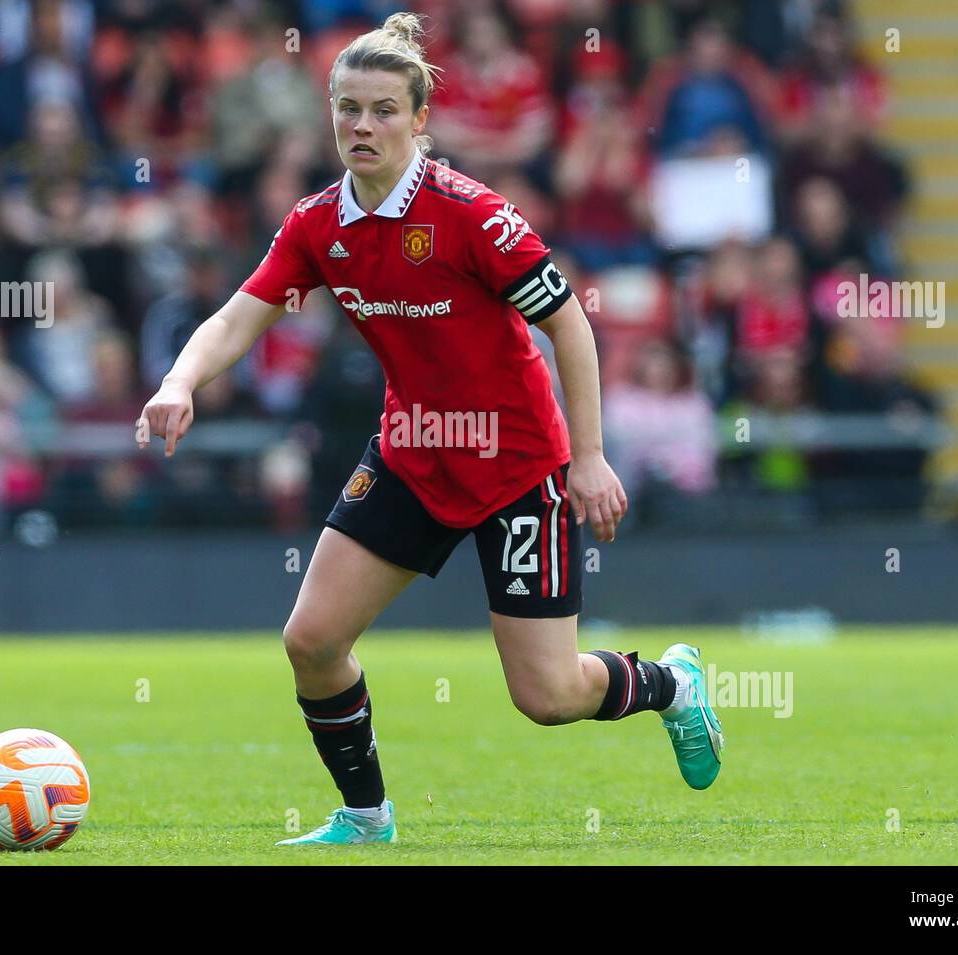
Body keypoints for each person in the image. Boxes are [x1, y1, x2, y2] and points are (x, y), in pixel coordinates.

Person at [137, 13, 725, 846]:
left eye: (382, 110)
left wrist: (588, 457)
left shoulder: (473, 215)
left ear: (420, 121)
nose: (361, 126)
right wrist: (178, 379)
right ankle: (367, 817)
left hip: (519, 466)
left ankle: (671, 683)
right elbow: (238, 317)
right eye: (348, 109)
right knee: (311, 638)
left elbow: (571, 326)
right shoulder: (317, 224)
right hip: (412, 456)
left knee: (548, 698)